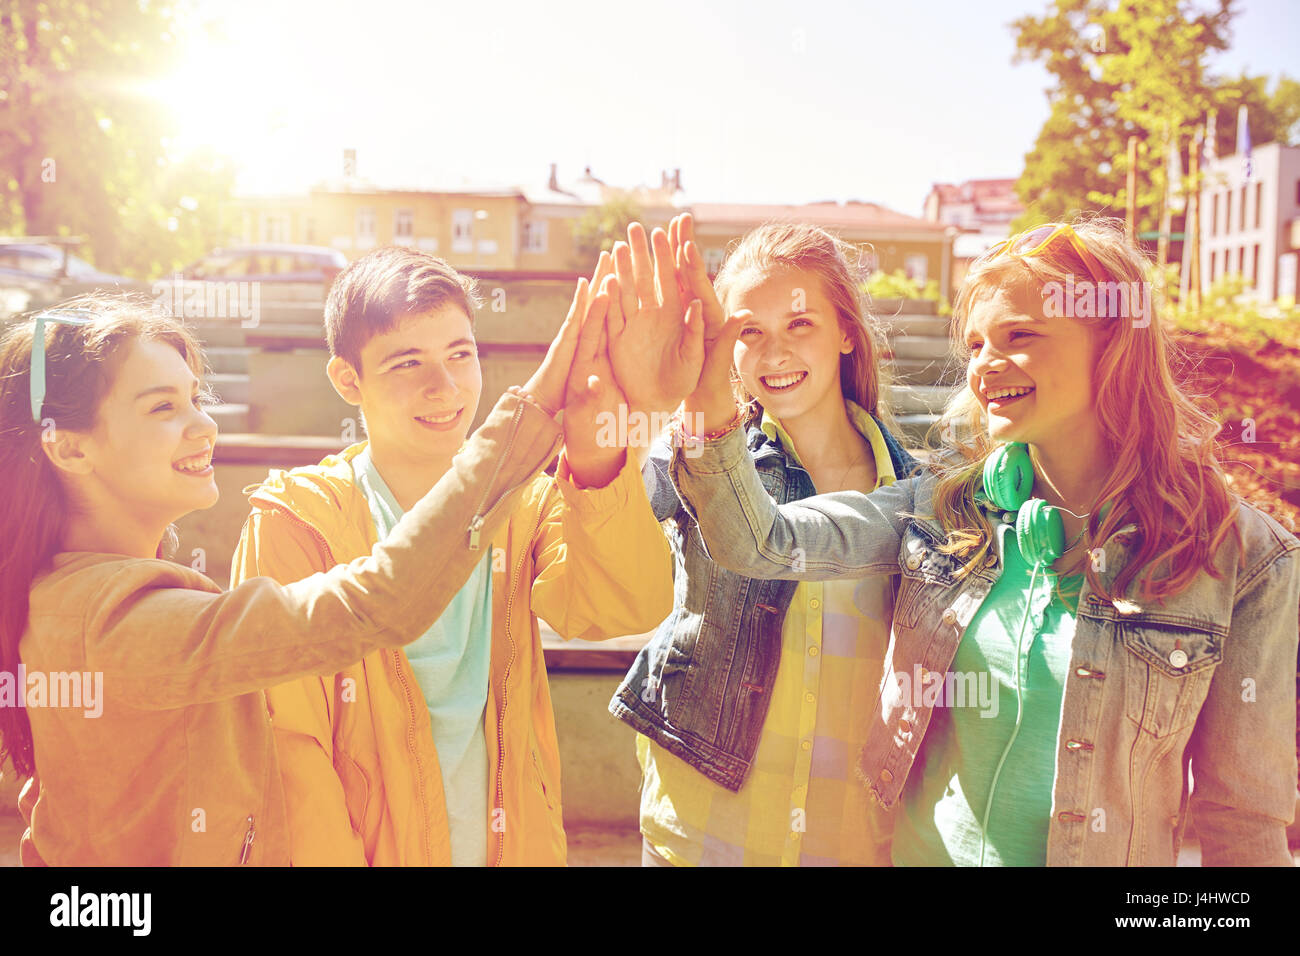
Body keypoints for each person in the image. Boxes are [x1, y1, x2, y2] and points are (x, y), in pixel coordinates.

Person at [659, 218, 1300, 866]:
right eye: (977, 345)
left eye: (1019, 337)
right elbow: (761, 543)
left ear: (1114, 344)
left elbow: (1244, 829)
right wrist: (710, 395)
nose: (987, 366)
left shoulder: (1246, 562)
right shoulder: (943, 510)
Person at [0, 284, 601, 865]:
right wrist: (533, 415)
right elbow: (381, 604)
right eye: (162, 406)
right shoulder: (109, 621)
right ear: (70, 448)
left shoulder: (70, 598)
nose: (204, 425)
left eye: (195, 398)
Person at [229, 247, 676, 865]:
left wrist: (601, 460)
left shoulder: (524, 506)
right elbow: (288, 749)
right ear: (347, 379)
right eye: (406, 362)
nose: (443, 387)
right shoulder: (297, 521)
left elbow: (626, 606)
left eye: (459, 355)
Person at [605, 214, 919, 865]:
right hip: (703, 832)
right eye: (749, 331)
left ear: (846, 335)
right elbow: (607, 547)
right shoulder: (695, 452)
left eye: (800, 323)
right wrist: (636, 402)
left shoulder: (916, 490)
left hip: (850, 840)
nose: (774, 353)